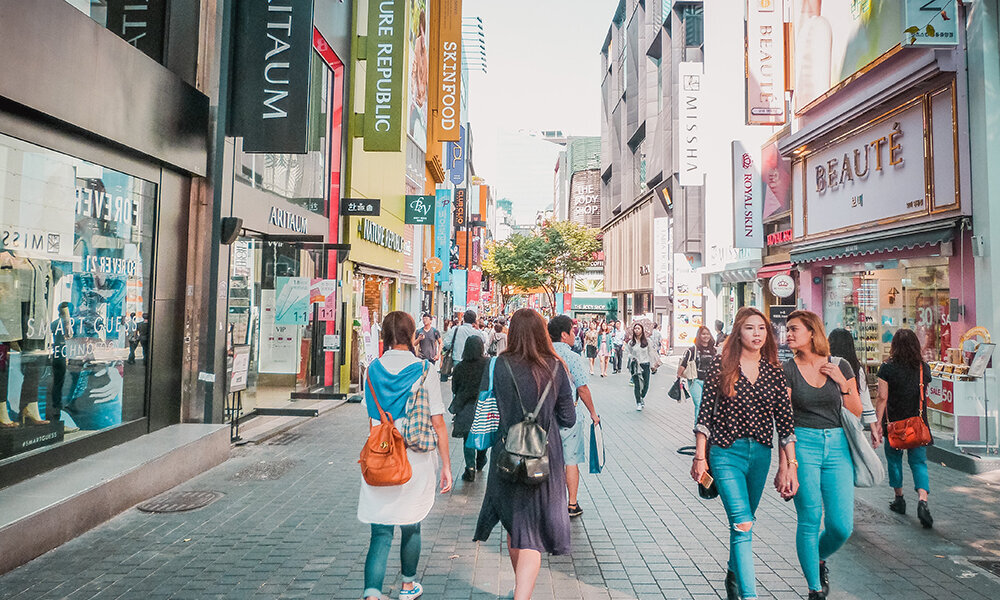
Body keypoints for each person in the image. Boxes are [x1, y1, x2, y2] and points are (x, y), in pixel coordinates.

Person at [691, 306, 797, 600]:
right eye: (750, 328)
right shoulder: (721, 366)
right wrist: (701, 456)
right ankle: (749, 595)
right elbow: (705, 416)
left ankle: (734, 573)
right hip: (726, 453)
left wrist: (790, 465)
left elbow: (786, 424)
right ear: (739, 331)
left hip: (760, 455)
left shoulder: (774, 371)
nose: (757, 334)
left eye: (762, 328)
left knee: (743, 525)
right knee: (743, 522)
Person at [474, 309, 576, 600]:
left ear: (513, 333)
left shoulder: (497, 365)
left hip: (507, 456)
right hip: (544, 458)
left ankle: (521, 593)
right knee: (531, 533)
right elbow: (568, 418)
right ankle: (522, 595)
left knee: (516, 526)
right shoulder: (556, 367)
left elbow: (487, 409)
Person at [359, 311, 453, 600]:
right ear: (413, 336)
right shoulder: (425, 370)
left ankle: (372, 594)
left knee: (381, 531)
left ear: (385, 337)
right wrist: (447, 467)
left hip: (380, 455)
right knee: (412, 524)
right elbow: (438, 423)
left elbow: (371, 417)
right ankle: (408, 587)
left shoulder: (371, 370)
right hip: (415, 457)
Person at [783, 310, 863, 600]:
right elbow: (784, 419)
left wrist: (842, 383)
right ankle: (814, 589)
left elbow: (855, 411)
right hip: (803, 445)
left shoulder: (840, 365)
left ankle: (816, 558)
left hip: (838, 445)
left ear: (812, 332)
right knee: (809, 517)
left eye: (794, 329)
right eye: (787, 329)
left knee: (841, 526)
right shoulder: (788, 370)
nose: (788, 334)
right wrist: (786, 464)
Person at [875, 328, 934, 529]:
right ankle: (923, 501)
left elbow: (882, 397)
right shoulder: (922, 368)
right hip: (918, 424)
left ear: (894, 347)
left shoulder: (886, 368)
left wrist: (877, 422)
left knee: (894, 460)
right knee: (919, 463)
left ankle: (899, 499)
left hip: (895, 425)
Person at [548, 315, 601, 518]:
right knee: (571, 459)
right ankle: (571, 504)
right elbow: (583, 388)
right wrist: (593, 413)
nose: (575, 334)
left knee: (550, 460)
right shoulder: (572, 357)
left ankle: (551, 501)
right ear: (563, 334)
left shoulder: (542, 354)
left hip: (546, 416)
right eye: (572, 331)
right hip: (570, 415)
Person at [828, 328, 880, 444]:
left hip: (831, 421)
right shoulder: (856, 367)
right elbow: (865, 399)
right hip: (852, 421)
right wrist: (873, 429)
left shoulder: (827, 365)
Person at [450, 335, 489, 482]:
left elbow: (455, 387)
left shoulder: (460, 367)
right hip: (483, 406)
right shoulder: (487, 363)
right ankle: (481, 461)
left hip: (466, 407)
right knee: (482, 435)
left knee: (468, 439)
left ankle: (470, 468)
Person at [677, 325, 717, 419]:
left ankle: (706, 426)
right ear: (699, 336)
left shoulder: (713, 350)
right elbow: (684, 363)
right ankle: (698, 427)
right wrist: (678, 376)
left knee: (709, 405)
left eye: (707, 334)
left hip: (710, 381)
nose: (706, 336)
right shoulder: (693, 349)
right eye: (703, 334)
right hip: (695, 380)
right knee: (699, 404)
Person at [624, 323, 656, 411]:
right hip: (635, 365)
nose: (637, 330)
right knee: (637, 385)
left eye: (638, 328)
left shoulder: (647, 341)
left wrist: (652, 365)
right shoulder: (631, 342)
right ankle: (638, 402)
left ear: (642, 330)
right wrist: (632, 357)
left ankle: (641, 397)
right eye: (635, 329)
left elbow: (651, 353)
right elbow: (628, 352)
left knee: (646, 385)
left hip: (645, 364)